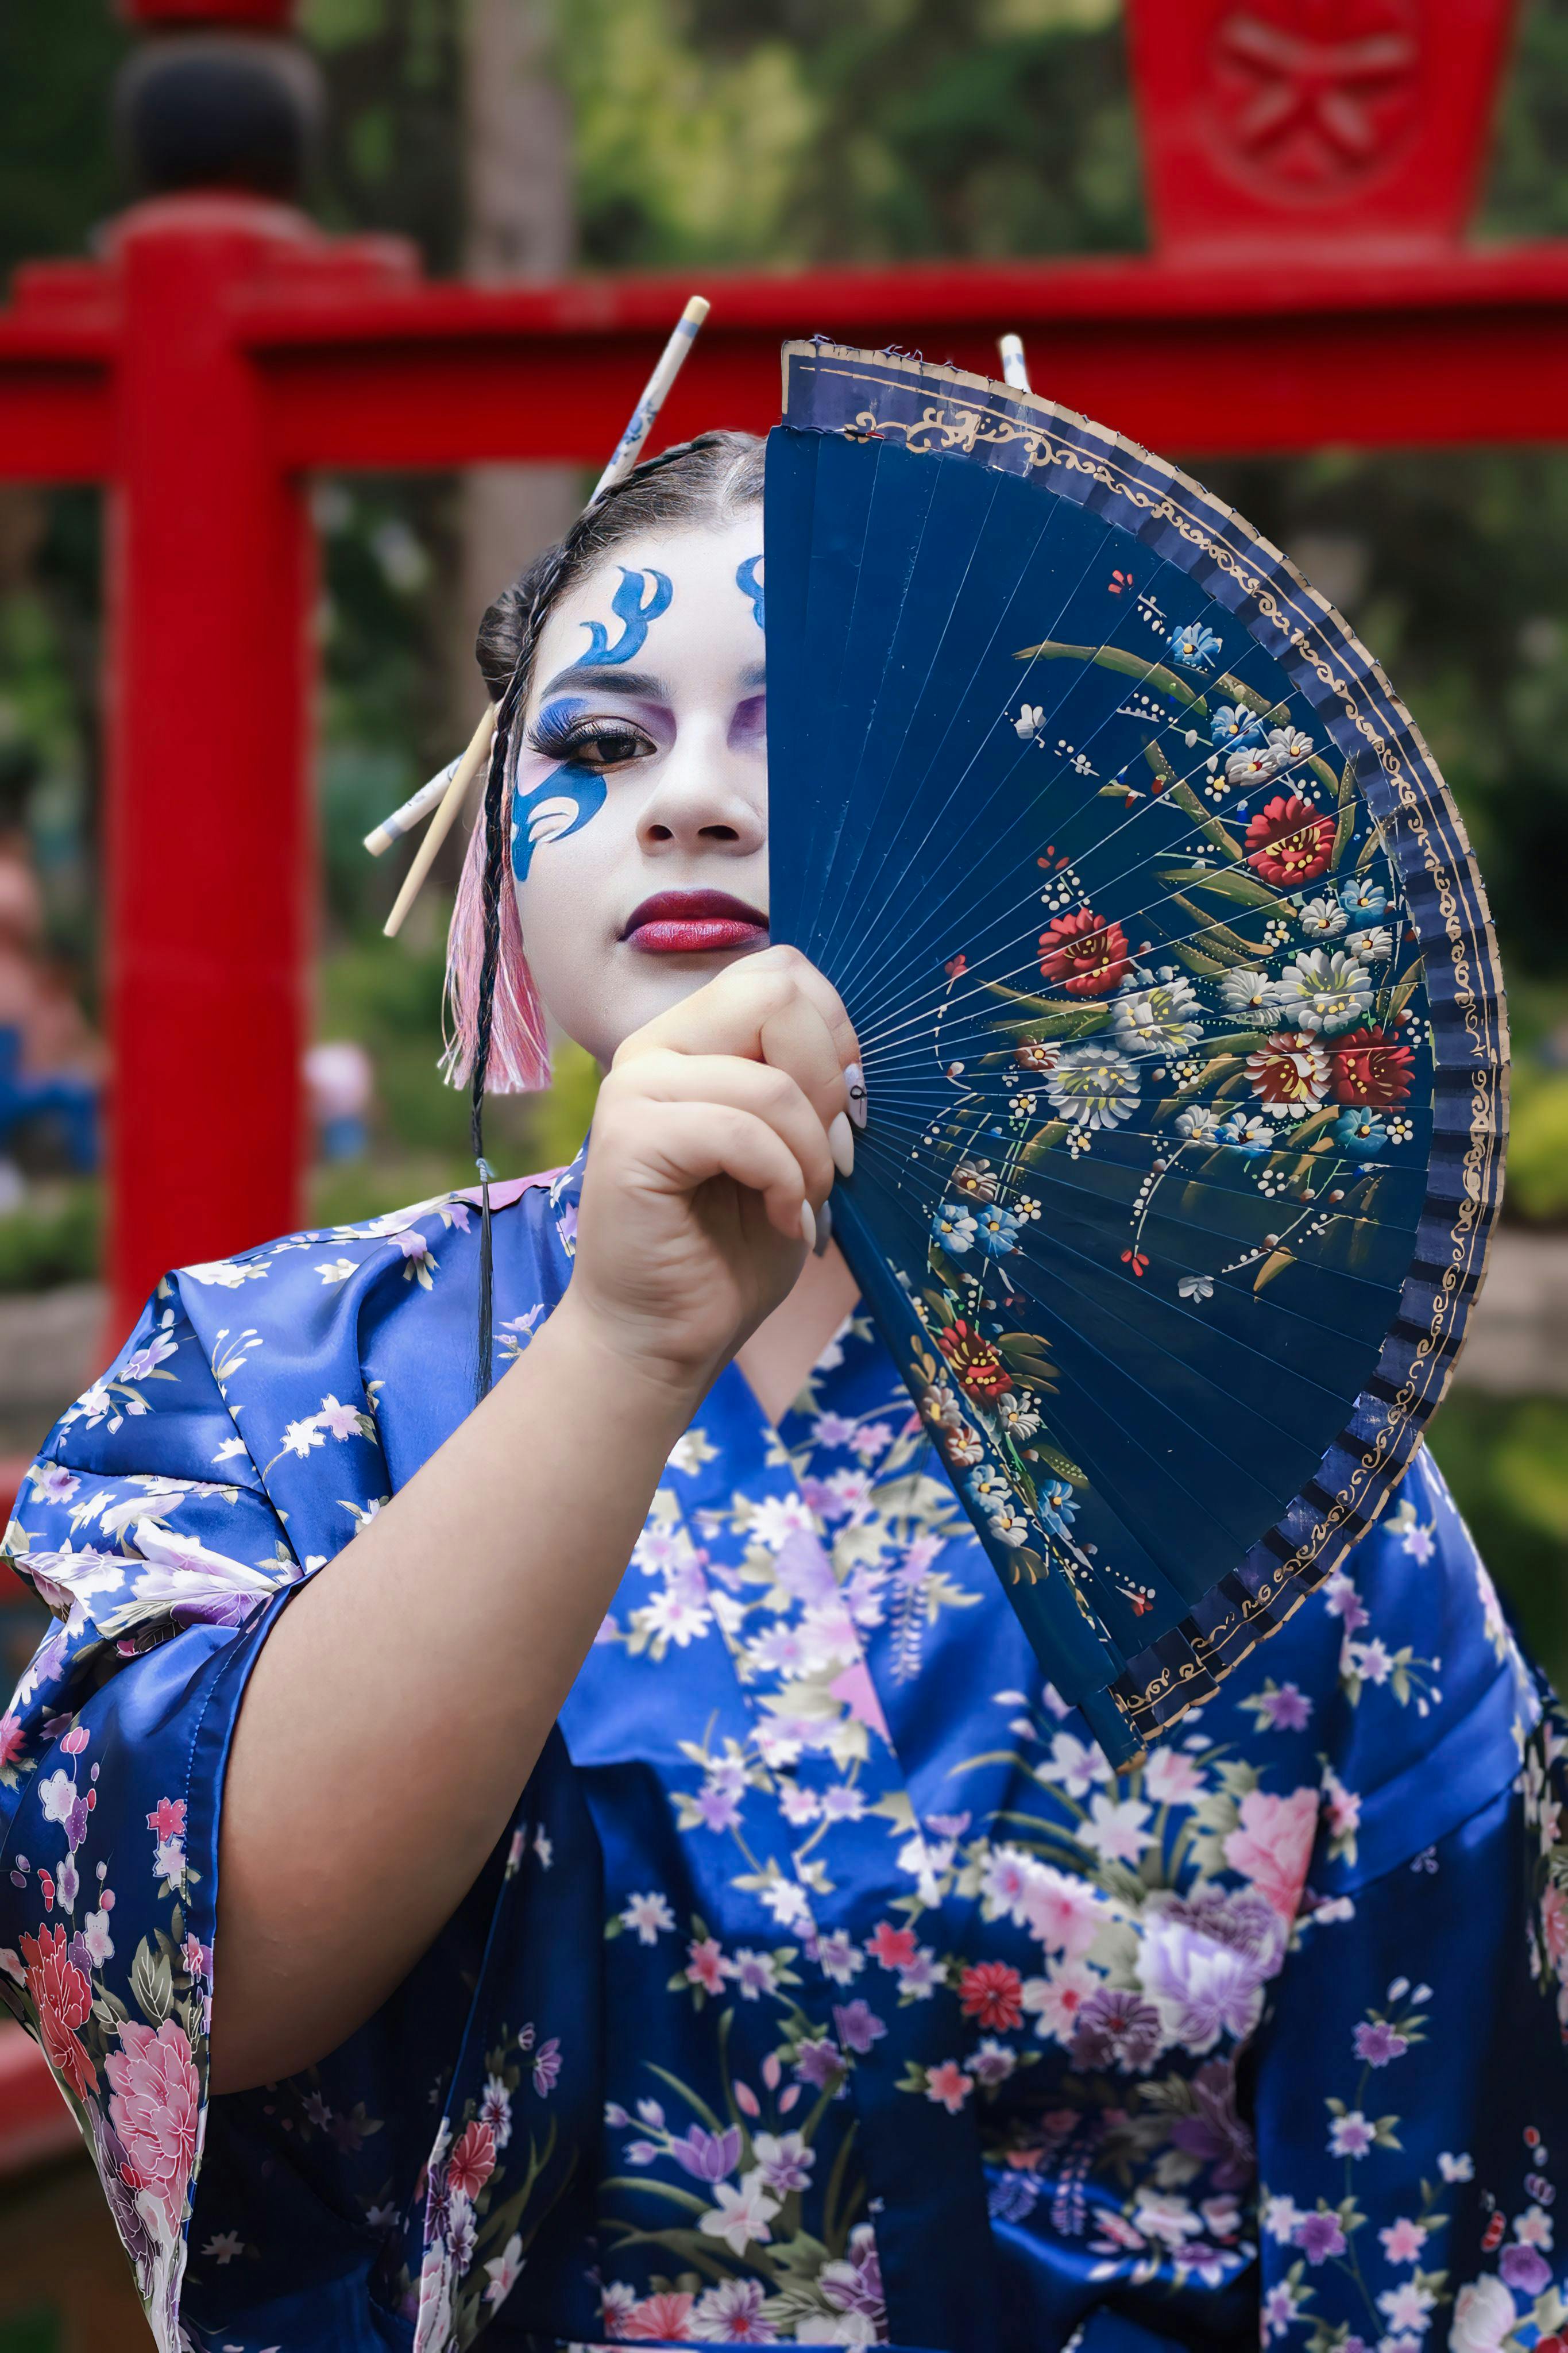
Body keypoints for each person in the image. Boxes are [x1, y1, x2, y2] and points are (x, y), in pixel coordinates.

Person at [0, 430, 1562, 2353]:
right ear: (496, 838)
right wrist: (621, 1350)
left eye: (793, 734)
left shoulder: (1273, 1442)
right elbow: (190, 1983)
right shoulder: (266, 1372)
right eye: (594, 746)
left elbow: (1449, 2209)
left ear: (1004, 825)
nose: (689, 806)